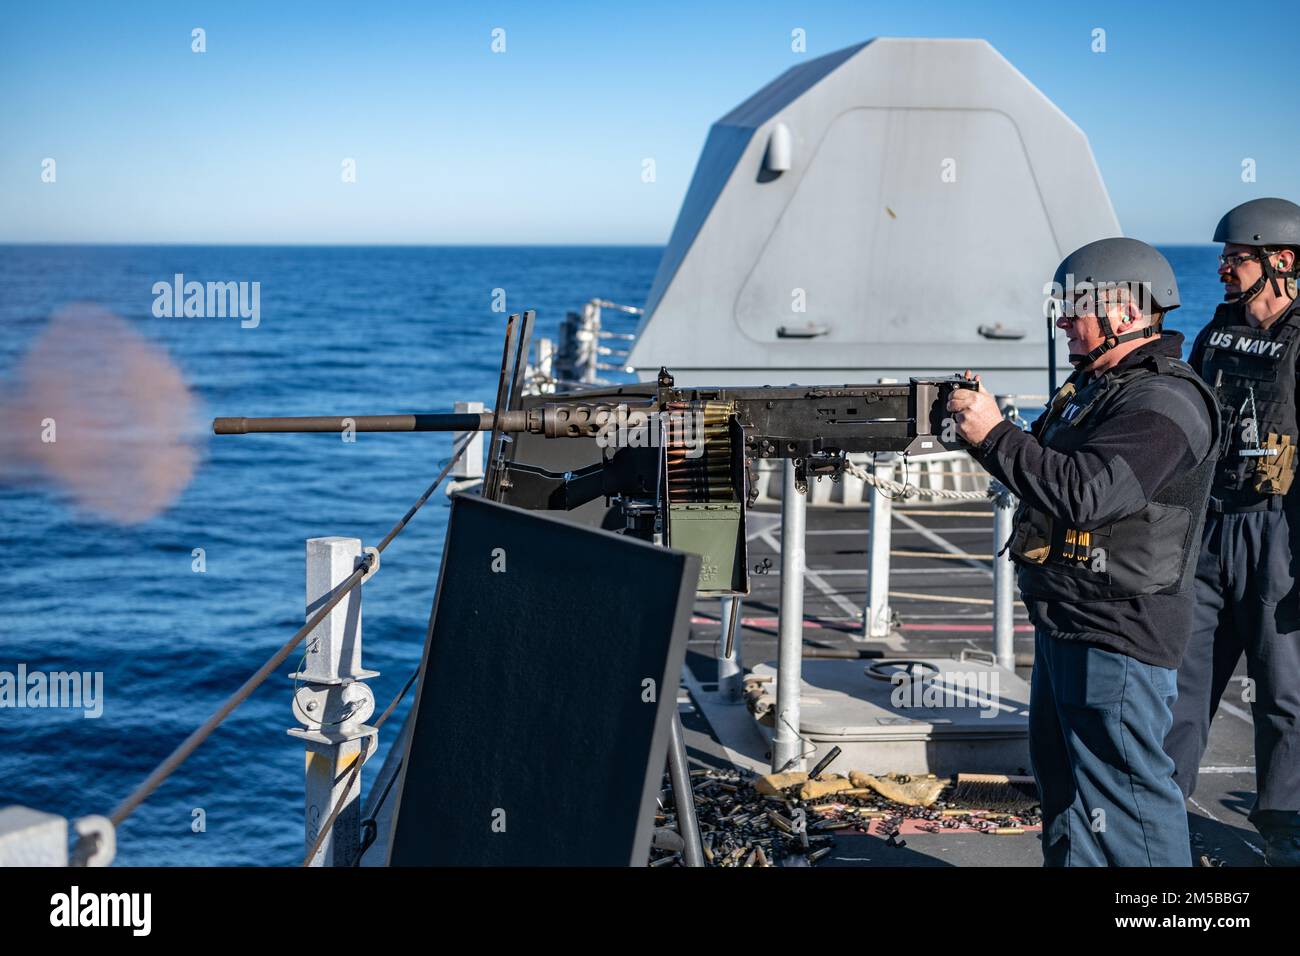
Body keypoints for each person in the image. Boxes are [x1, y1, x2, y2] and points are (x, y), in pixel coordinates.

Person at [947, 237, 1219, 866]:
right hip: (1070, 618)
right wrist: (980, 437)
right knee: (1069, 794)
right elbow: (1045, 469)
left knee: (1128, 804)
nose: (1063, 320)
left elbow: (1090, 493)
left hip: (1119, 629)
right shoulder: (1098, 387)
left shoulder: (1164, 400)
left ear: (1124, 312)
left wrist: (993, 434)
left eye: (1075, 307)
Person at [1163, 197, 1300, 866]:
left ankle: (1283, 828)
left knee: (1284, 691)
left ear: (1283, 262)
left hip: (1282, 530)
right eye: (1224, 257)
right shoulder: (1216, 331)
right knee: (1186, 676)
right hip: (1214, 523)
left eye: (1236, 257)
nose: (1223, 267)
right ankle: (1157, 813)